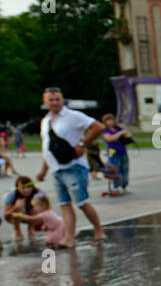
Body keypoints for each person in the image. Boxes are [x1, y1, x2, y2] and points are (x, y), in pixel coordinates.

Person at [34, 87, 106, 247]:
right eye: (51, 100)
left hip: (73, 167)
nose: (54, 102)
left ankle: (99, 231)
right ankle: (69, 238)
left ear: (62, 100)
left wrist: (82, 144)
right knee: (64, 204)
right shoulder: (45, 121)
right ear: (45, 102)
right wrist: (44, 170)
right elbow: (49, 148)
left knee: (81, 202)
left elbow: (98, 127)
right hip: (56, 169)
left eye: (57, 99)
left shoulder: (72, 116)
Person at [4, 175, 66, 246]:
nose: (27, 190)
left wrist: (45, 222)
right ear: (17, 188)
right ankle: (17, 230)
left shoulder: (38, 193)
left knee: (33, 210)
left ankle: (31, 229)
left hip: (35, 216)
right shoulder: (12, 195)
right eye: (23, 187)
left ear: (33, 186)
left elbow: (47, 208)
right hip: (19, 216)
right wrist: (15, 208)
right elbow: (6, 214)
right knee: (19, 210)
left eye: (29, 187)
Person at [100, 113, 131, 196]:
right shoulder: (105, 131)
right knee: (115, 170)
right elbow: (110, 139)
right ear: (105, 122)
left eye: (112, 120)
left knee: (125, 169)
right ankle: (116, 187)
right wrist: (120, 133)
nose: (110, 122)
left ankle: (124, 186)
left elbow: (128, 135)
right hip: (113, 153)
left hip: (123, 151)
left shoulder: (118, 128)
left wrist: (123, 133)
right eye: (108, 120)